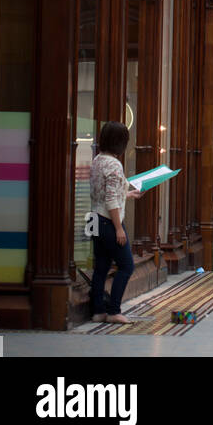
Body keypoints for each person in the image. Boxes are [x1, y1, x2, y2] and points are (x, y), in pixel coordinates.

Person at [89, 120, 141, 324]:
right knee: (126, 266)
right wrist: (119, 228)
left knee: (101, 267)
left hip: (94, 218)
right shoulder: (114, 164)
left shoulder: (97, 160)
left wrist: (128, 194)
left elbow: (105, 193)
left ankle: (98, 311)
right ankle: (114, 311)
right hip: (108, 221)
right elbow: (110, 200)